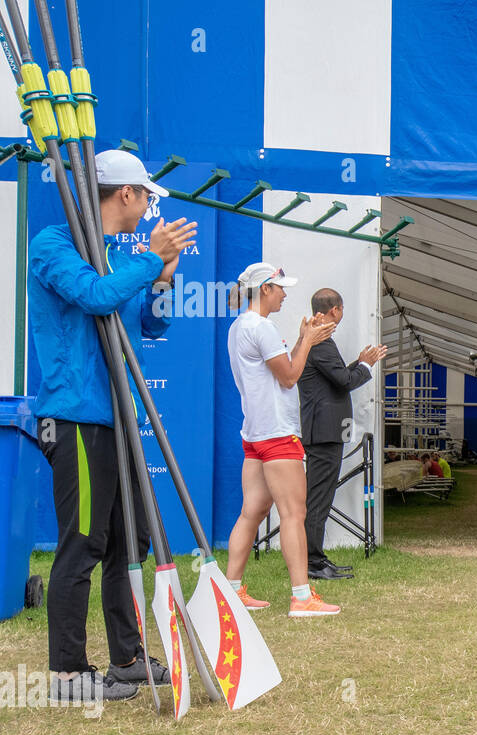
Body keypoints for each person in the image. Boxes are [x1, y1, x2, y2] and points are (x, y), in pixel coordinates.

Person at [29, 149, 195, 703]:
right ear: (126, 194)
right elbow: (95, 297)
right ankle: (67, 674)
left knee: (131, 542)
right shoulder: (54, 245)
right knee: (83, 542)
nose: (149, 205)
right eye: (146, 194)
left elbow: (148, 324)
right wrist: (149, 261)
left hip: (118, 418)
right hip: (77, 419)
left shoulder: (112, 256)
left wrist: (162, 278)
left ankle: (126, 659)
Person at [224, 263, 340, 617]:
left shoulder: (238, 327)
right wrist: (307, 340)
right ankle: (302, 597)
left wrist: (304, 340)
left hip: (255, 434)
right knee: (294, 513)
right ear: (265, 290)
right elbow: (290, 377)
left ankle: (232, 591)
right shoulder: (262, 327)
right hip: (277, 433)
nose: (285, 295)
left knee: (252, 512)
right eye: (280, 289)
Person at [297, 287, 386, 581]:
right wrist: (365, 364)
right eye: (342, 309)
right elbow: (344, 381)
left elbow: (335, 379)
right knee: (318, 500)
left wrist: (358, 363)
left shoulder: (317, 341)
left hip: (323, 432)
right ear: (335, 310)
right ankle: (312, 562)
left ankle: (316, 558)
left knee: (319, 499)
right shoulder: (321, 342)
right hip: (323, 434)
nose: (342, 315)